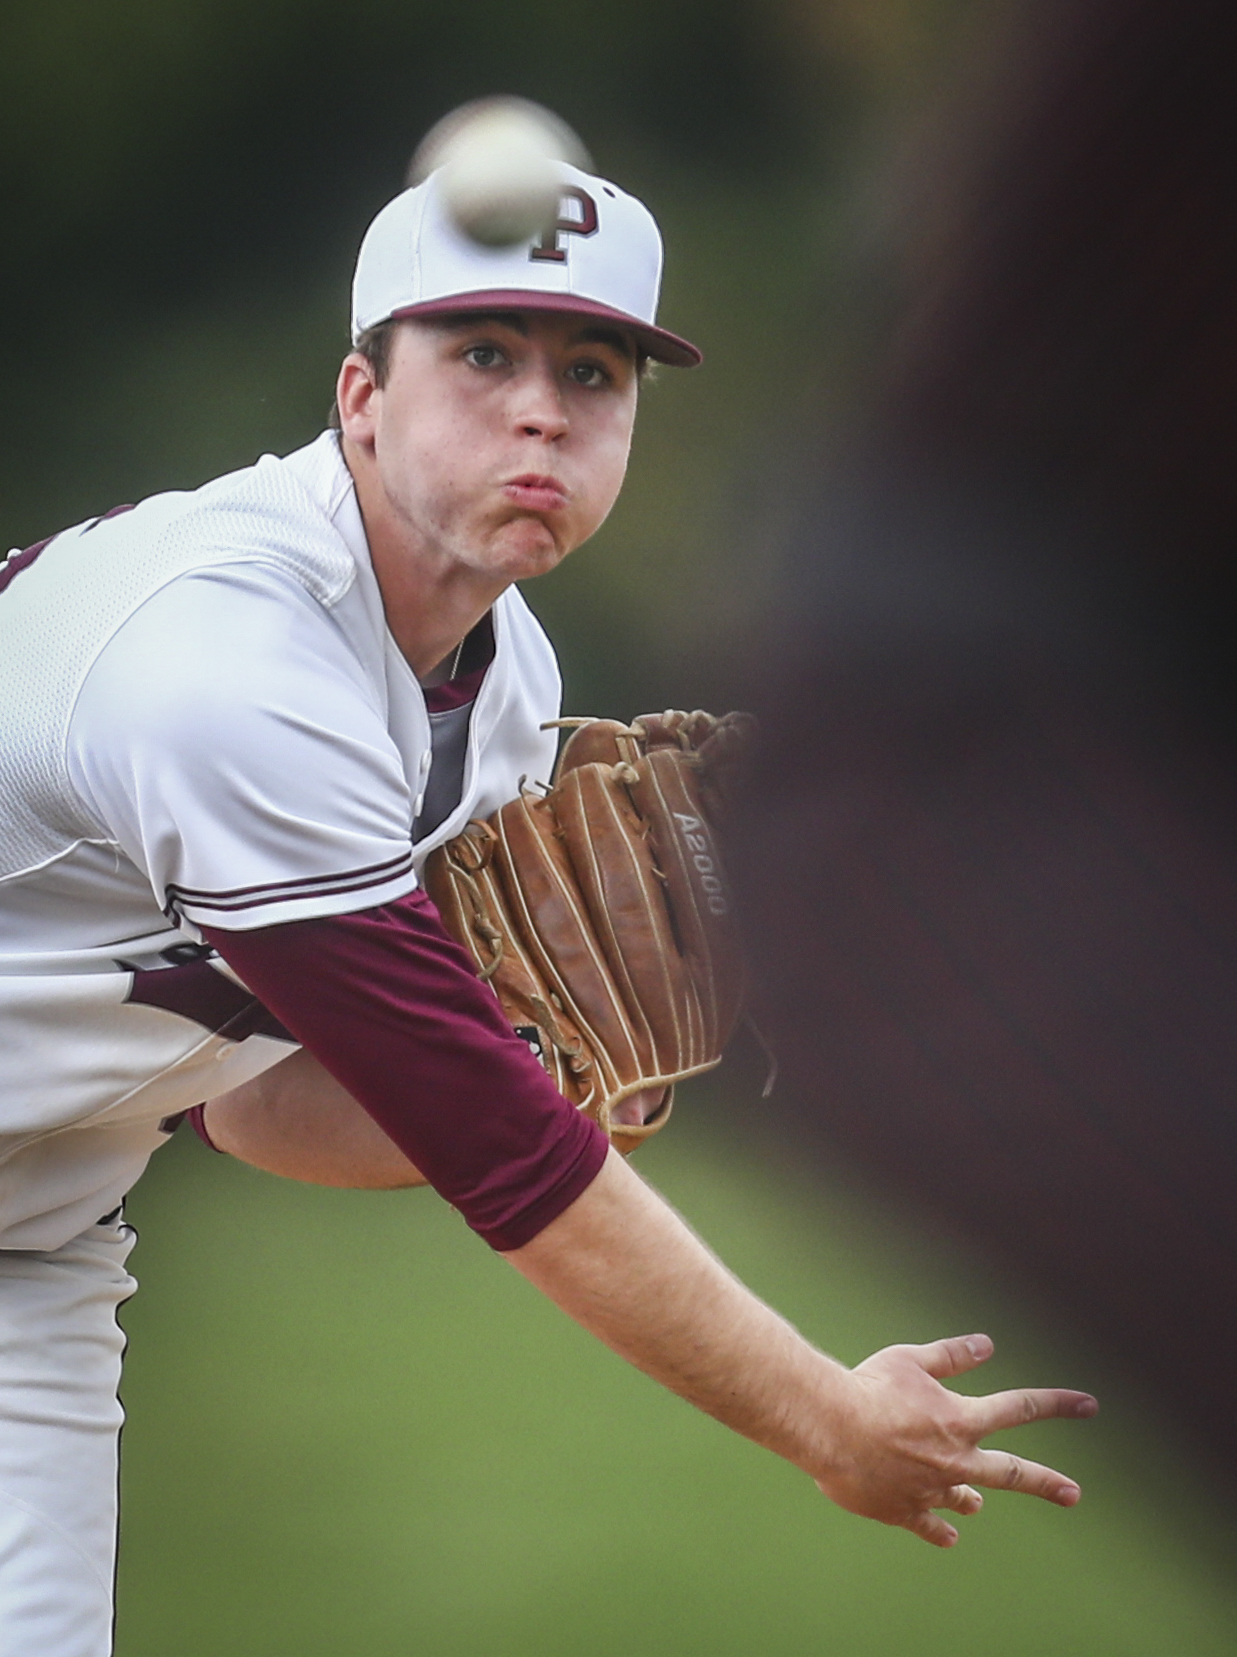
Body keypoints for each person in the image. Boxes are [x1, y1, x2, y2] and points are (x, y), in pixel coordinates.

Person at [0, 154, 1095, 1656]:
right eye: (482, 355)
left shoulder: (507, 685)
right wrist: (827, 1419)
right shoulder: (228, 655)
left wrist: (557, 1053)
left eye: (593, 372)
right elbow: (495, 1150)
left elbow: (244, 1105)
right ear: (360, 397)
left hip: (38, 1232)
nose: (543, 412)